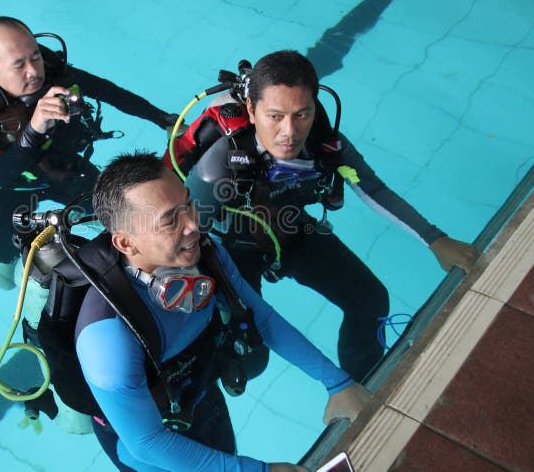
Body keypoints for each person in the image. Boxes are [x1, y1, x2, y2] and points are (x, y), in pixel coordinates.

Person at [166, 50, 481, 382]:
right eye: (275, 116)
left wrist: (436, 240)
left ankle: (364, 387)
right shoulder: (220, 166)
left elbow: (373, 189)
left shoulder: (327, 145)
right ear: (252, 111)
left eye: (302, 114)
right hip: (234, 251)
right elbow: (180, 241)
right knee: (251, 361)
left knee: (370, 301)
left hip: (295, 233)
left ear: (315, 108)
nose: (290, 132)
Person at [76, 151, 370, 471]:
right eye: (170, 220)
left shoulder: (205, 254)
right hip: (148, 450)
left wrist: (337, 383)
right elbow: (147, 444)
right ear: (126, 244)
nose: (193, 224)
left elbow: (261, 316)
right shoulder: (107, 336)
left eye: (188, 203)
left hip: (199, 399)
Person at [0, 16, 176, 307]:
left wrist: (164, 119)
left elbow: (109, 92)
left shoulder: (53, 75)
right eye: (18, 64)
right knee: (4, 279)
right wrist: (35, 128)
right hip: (3, 190)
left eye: (35, 56)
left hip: (59, 169)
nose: (33, 71)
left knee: (122, 215)